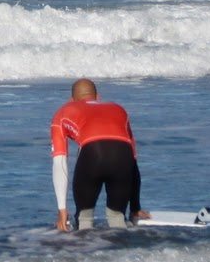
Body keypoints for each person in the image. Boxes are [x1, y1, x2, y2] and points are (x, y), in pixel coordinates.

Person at [49, 78, 146, 231]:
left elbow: (60, 162)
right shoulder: (119, 109)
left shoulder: (63, 111)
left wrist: (62, 209)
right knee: (117, 218)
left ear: (71, 100)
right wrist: (135, 207)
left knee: (84, 219)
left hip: (92, 155)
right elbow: (133, 161)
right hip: (122, 157)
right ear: (97, 97)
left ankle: (87, 241)